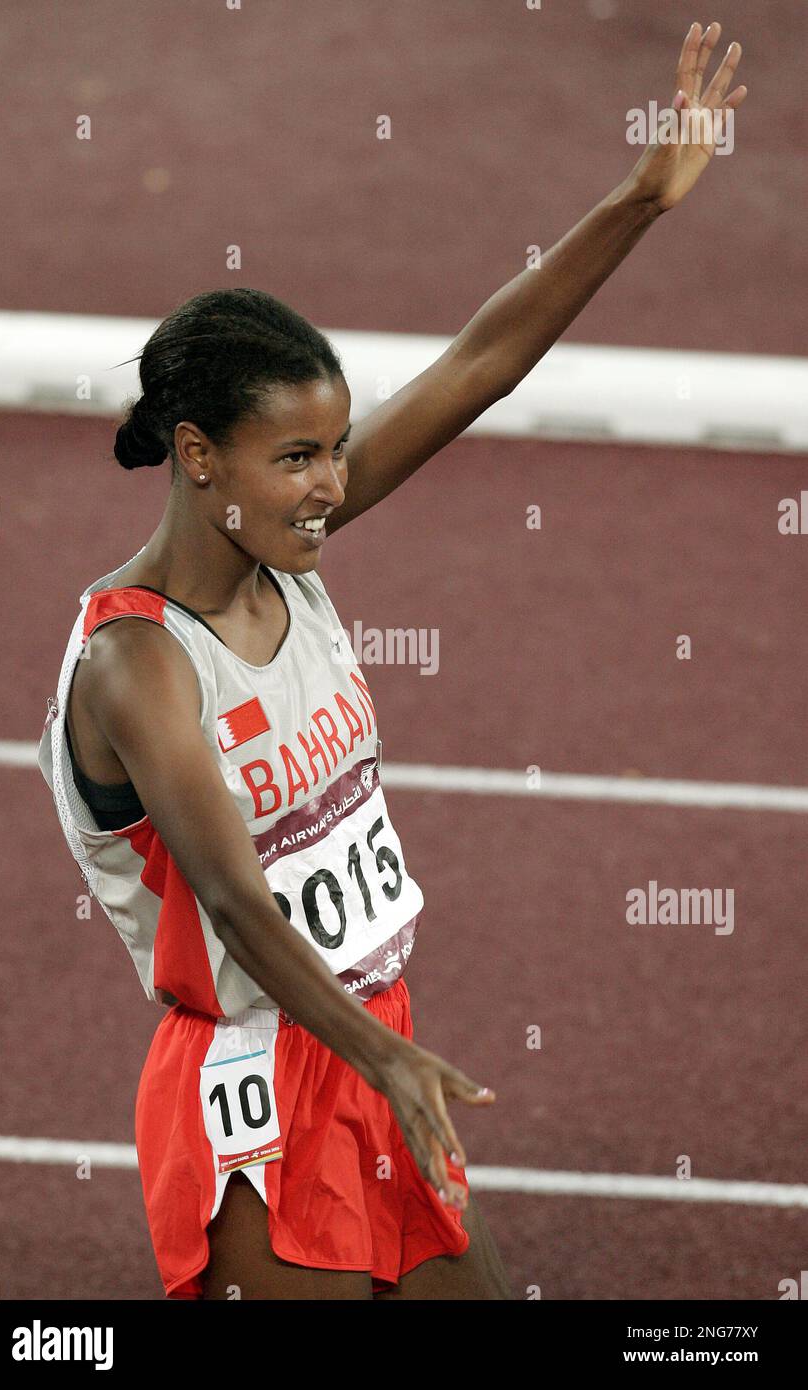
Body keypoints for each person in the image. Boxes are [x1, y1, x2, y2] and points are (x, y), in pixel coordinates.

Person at [38, 22, 745, 1300]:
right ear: (200, 458)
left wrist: (640, 198)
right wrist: (387, 1056)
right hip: (256, 1079)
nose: (329, 487)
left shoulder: (281, 554)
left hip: (366, 1042)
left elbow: (478, 365)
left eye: (335, 452)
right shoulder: (137, 666)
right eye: (295, 458)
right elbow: (238, 900)